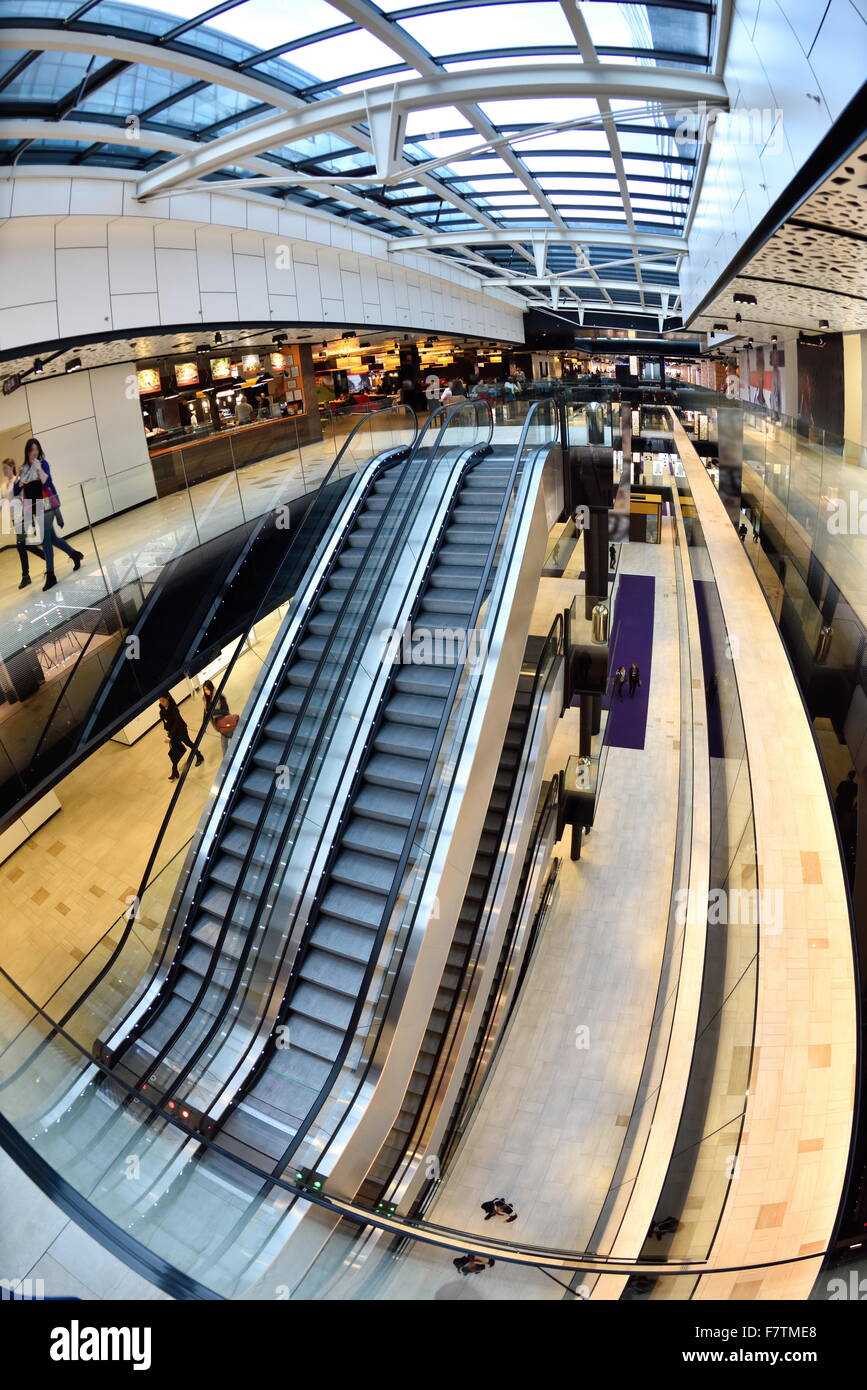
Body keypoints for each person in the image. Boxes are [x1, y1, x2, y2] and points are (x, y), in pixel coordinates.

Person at [17, 438, 84, 591]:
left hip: (46, 505)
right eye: (32, 450)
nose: (34, 452)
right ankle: (75, 555)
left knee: (45, 540)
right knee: (53, 538)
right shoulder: (24, 469)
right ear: (27, 452)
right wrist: (19, 480)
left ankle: (51, 575)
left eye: (37, 449)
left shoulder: (42, 463)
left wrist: (39, 468)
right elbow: (19, 492)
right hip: (35, 508)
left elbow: (48, 484)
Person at [2, 457, 44, 589]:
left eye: (6, 468)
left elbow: (23, 497)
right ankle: (46, 557)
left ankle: (26, 576)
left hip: (23, 515)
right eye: (3, 468)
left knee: (21, 544)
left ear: (12, 467)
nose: (4, 470)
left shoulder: (17, 481)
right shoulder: (3, 485)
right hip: (15, 517)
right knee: (24, 544)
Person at [159, 692, 204, 781]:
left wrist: (170, 736)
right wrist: (168, 731)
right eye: (160, 701)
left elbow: (177, 723)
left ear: (168, 699)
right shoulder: (162, 711)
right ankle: (174, 770)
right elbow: (165, 722)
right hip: (172, 733)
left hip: (180, 730)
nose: (161, 703)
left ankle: (199, 755)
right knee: (174, 751)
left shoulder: (174, 709)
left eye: (163, 700)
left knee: (188, 743)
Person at [202, 678, 232, 754]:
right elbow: (206, 713)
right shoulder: (206, 700)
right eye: (204, 690)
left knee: (225, 744)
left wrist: (213, 712)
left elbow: (226, 711)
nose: (206, 692)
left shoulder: (220, 697)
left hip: (226, 723)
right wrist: (203, 725)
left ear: (211, 688)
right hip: (219, 725)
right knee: (225, 744)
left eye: (207, 689)